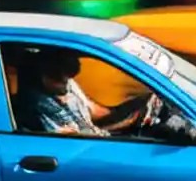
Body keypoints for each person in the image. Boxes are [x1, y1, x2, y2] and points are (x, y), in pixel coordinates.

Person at [20, 47, 157, 136]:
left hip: (96, 135)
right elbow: (69, 136)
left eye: (68, 78)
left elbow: (93, 111)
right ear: (43, 76)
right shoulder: (36, 104)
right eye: (59, 80)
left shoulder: (69, 85)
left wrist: (129, 114)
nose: (65, 85)